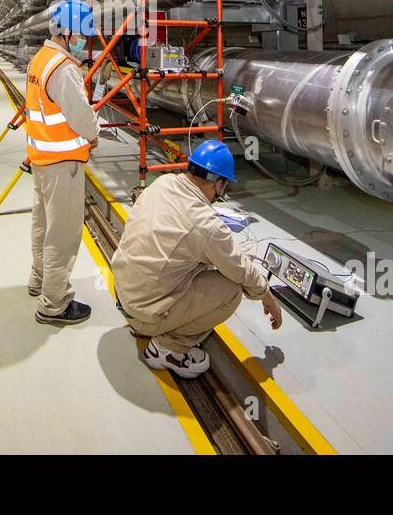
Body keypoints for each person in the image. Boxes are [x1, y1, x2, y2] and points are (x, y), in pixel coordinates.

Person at [111, 140, 283, 379]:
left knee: (201, 264)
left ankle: (147, 321)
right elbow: (240, 270)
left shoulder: (163, 182)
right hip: (142, 312)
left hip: (122, 293)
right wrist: (268, 297)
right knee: (231, 290)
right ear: (218, 182)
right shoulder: (205, 223)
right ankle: (169, 349)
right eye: (223, 187)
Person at [24, 0, 100, 325]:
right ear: (67, 32)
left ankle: (39, 279)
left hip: (42, 160)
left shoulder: (40, 60)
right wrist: (93, 133)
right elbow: (82, 118)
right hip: (63, 162)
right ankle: (54, 303)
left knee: (43, 224)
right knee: (64, 233)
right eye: (82, 35)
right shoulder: (64, 69)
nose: (84, 41)